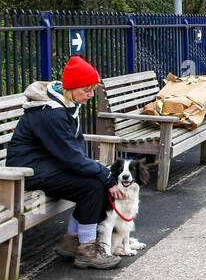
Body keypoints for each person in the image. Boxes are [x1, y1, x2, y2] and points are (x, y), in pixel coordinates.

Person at [6, 55, 124, 269]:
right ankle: (85, 248)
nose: (90, 95)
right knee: (92, 185)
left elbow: (72, 153)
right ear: (71, 88)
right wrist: (104, 175)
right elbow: (70, 156)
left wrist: (95, 172)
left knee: (94, 182)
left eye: (92, 90)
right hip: (27, 172)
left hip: (47, 165)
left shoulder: (66, 105)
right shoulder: (50, 114)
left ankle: (72, 241)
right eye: (85, 90)